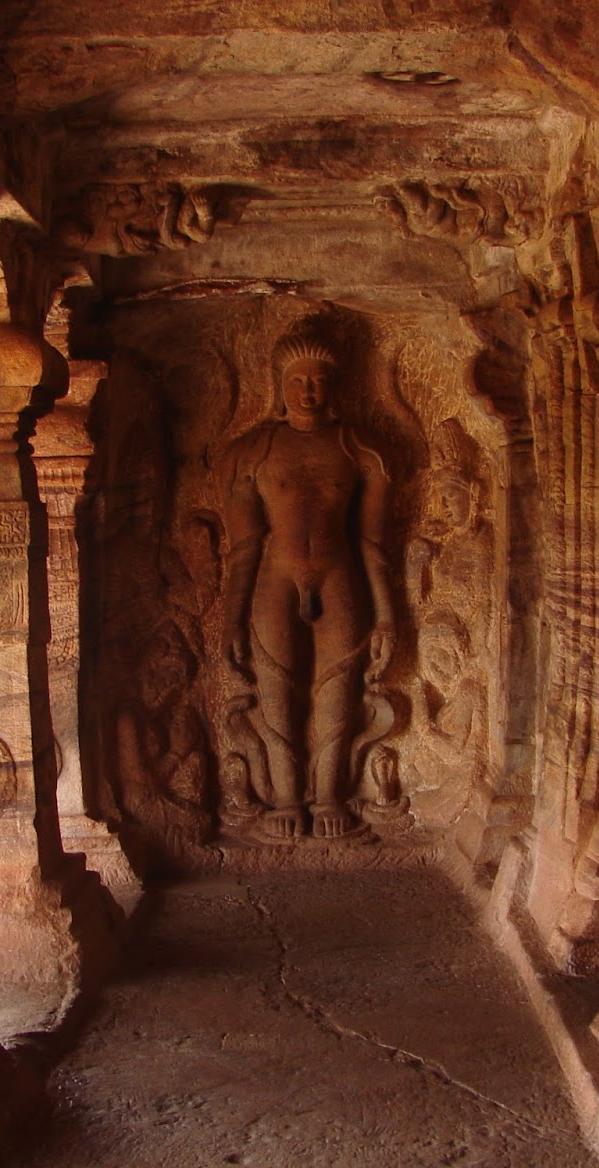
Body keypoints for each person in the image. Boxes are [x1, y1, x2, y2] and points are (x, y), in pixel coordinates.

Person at [221, 333, 394, 838]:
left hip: (340, 574)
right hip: (276, 575)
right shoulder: (252, 453)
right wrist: (232, 620)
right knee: (275, 688)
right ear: (280, 386)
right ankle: (286, 801)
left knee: (337, 688)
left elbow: (373, 544)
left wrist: (387, 616)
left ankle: (329, 799)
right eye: (298, 381)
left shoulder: (359, 451)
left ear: (333, 388)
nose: (309, 391)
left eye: (318, 381)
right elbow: (243, 546)